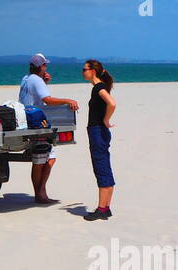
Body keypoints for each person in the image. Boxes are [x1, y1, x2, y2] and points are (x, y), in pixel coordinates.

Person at [18, 53, 79, 204]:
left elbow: (34, 97)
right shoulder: (36, 80)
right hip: (37, 122)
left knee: (47, 158)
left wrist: (44, 83)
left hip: (27, 119)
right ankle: (40, 194)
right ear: (41, 66)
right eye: (45, 65)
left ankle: (40, 192)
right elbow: (48, 100)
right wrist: (68, 100)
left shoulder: (26, 78)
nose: (46, 68)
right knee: (42, 159)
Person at [81, 59, 116, 220]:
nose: (83, 72)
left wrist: (105, 120)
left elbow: (112, 104)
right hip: (99, 131)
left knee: (101, 167)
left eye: (84, 69)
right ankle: (106, 207)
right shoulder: (99, 87)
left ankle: (101, 209)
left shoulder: (99, 88)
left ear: (92, 71)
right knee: (104, 166)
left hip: (98, 131)